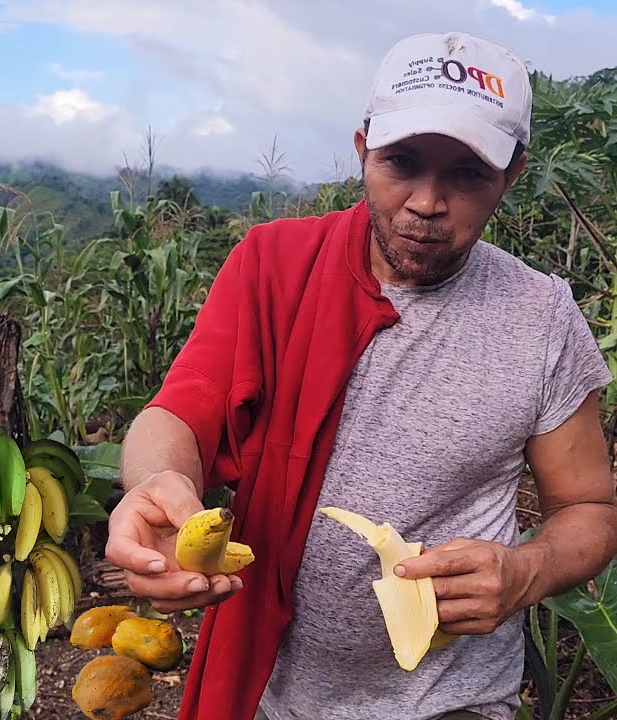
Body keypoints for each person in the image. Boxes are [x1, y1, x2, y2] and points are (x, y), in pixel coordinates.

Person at [104, 32, 617, 720]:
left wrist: (527, 570)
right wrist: (156, 484)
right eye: (401, 162)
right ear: (362, 147)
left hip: (455, 703)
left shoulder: (540, 316)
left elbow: (590, 508)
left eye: (467, 174)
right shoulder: (274, 267)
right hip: (276, 692)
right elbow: (178, 414)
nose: (427, 203)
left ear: (512, 174)